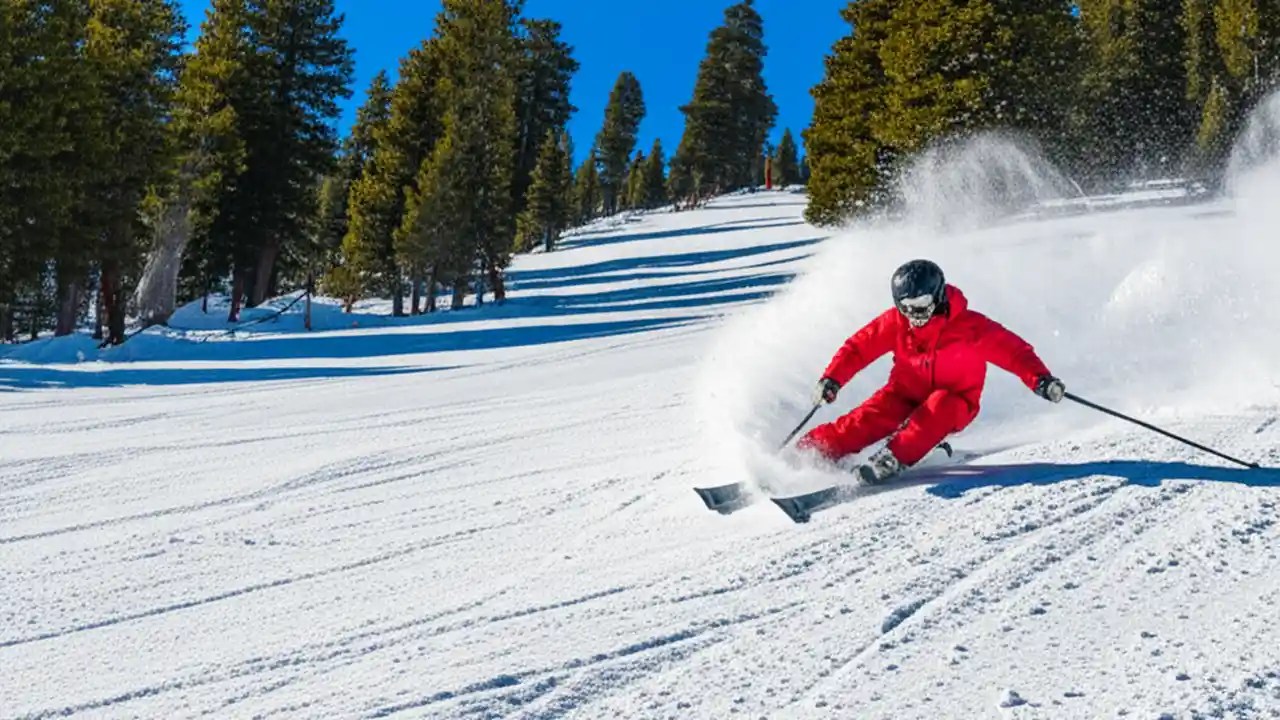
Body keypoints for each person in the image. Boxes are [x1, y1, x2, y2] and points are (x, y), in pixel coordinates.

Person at [797, 259, 1065, 485]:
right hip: (903, 394)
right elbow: (858, 348)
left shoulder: (970, 327)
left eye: (922, 303)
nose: (915, 313)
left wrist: (1040, 380)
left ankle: (892, 459)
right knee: (862, 421)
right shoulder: (896, 322)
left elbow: (1014, 352)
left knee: (939, 406)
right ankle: (807, 452)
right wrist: (832, 379)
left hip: (957, 400)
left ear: (937, 296)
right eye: (907, 305)